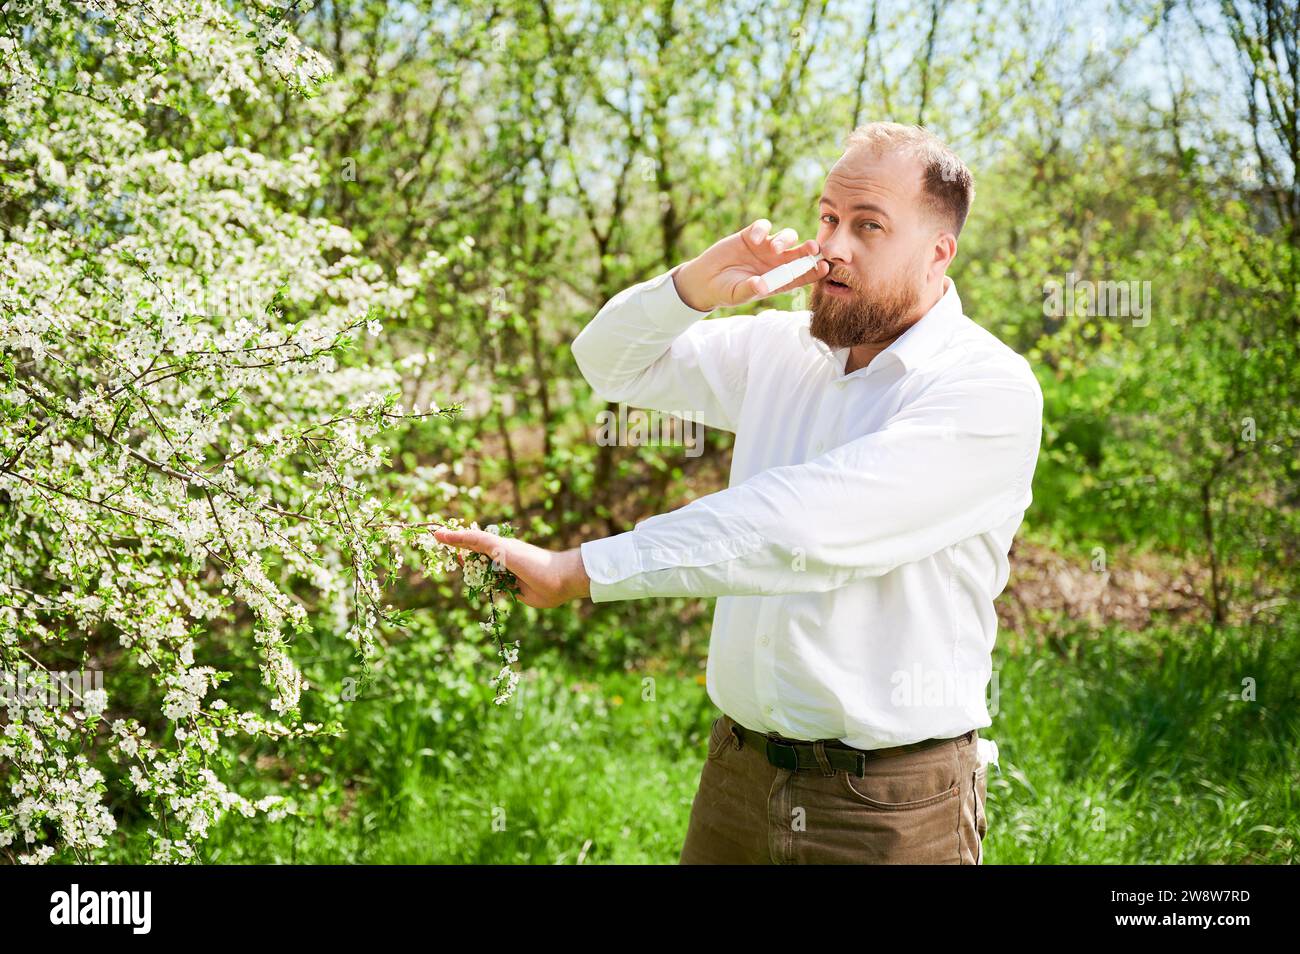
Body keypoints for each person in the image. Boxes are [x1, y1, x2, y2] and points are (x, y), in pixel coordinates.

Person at [434, 121, 1042, 864]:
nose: (834, 246)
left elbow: (803, 527)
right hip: (737, 775)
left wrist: (580, 571)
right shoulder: (785, 350)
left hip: (889, 806)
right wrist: (691, 286)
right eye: (827, 218)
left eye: (868, 226)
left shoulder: (986, 389)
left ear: (938, 251)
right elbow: (609, 365)